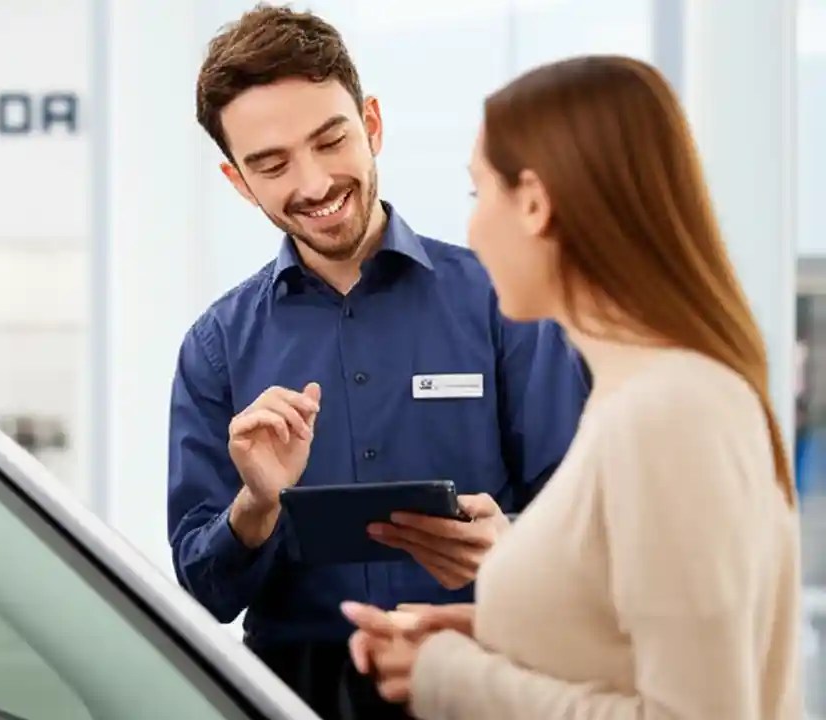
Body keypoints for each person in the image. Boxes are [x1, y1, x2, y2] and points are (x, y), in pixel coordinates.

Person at [342, 54, 803, 719]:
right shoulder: (646, 396)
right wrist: (486, 641)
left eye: (478, 194)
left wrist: (449, 676)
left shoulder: (668, 412)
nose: (470, 230)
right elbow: (629, 651)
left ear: (534, 203)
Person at [166, 5, 589, 718]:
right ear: (239, 181)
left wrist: (511, 546)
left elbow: (587, 527)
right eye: (271, 164)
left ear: (372, 125)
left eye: (330, 141)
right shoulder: (216, 348)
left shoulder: (506, 304)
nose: (314, 183)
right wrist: (256, 506)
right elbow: (207, 592)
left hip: (486, 682)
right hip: (290, 696)